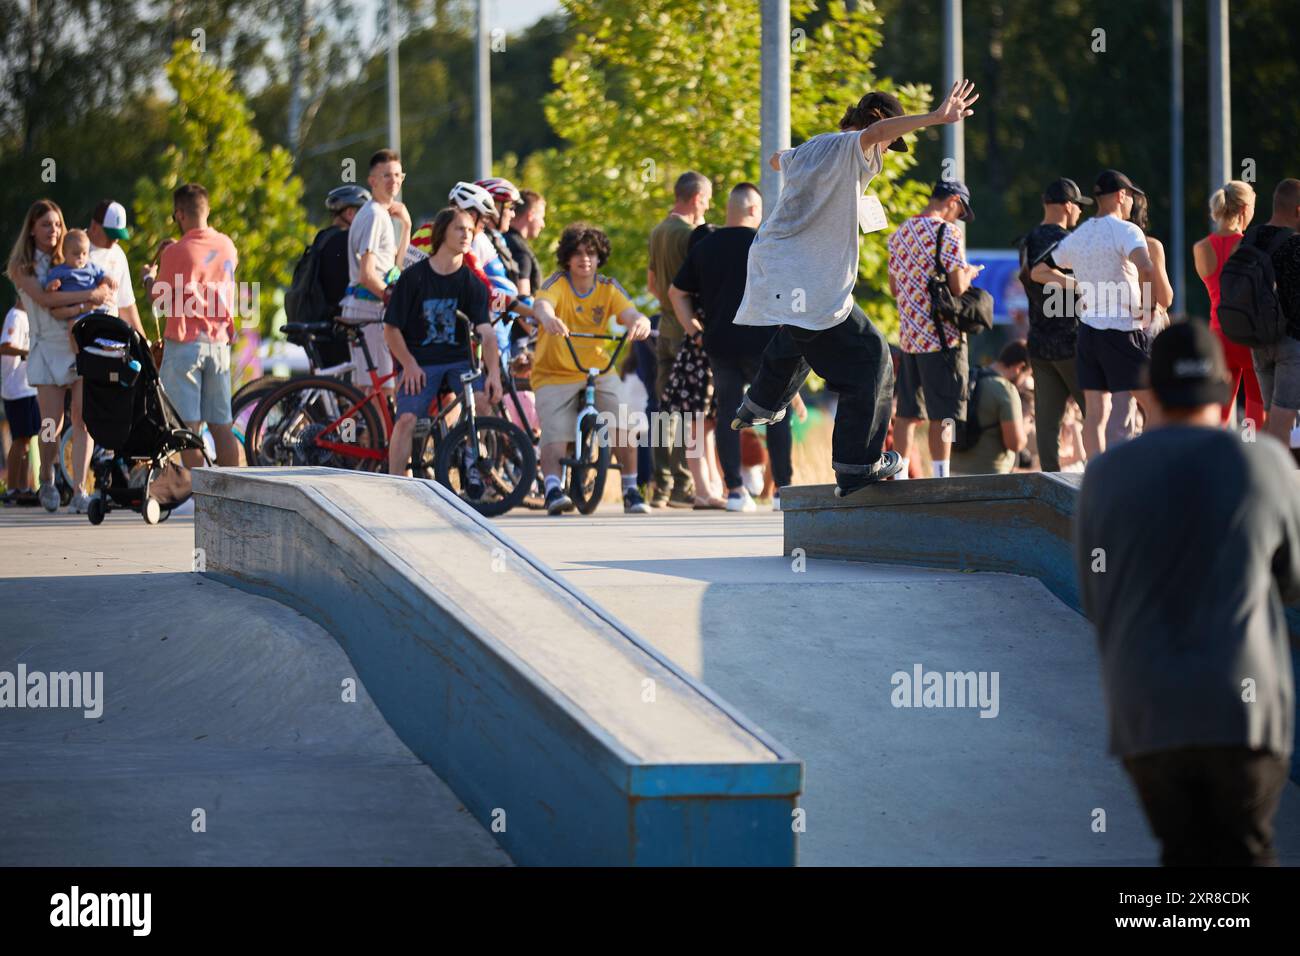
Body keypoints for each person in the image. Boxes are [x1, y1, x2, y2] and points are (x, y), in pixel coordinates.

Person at [1075, 321, 1300, 866]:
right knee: (1248, 852)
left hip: (1149, 716)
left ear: (1149, 390)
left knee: (1182, 857)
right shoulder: (1267, 464)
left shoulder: (1105, 475)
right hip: (1243, 716)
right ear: (1223, 389)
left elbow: (1094, 596)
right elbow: (1292, 581)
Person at [732, 81, 980, 496]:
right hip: (809, 275)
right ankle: (858, 465)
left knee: (809, 329)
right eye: (890, 142)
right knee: (874, 361)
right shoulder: (854, 145)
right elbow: (872, 136)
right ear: (878, 123)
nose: (885, 152)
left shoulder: (810, 148)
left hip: (775, 266)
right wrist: (937, 117)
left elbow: (778, 160)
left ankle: (762, 399)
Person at [670, 182, 792, 512]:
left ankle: (736, 491)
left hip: (719, 343)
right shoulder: (766, 244)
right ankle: (783, 490)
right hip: (764, 342)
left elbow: (676, 292)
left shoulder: (705, 246)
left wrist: (694, 331)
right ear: (754, 210)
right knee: (778, 412)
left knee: (729, 412)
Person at [532, 223, 654, 515]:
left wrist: (640, 321)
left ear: (600, 257)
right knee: (556, 431)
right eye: (577, 253)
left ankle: (630, 489)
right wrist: (548, 319)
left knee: (624, 423)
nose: (584, 259)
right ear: (566, 258)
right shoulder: (557, 283)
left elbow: (630, 313)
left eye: (591, 253)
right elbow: (542, 305)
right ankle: (552, 488)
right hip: (554, 371)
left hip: (597, 370)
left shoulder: (608, 287)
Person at [1051, 170, 1171, 459]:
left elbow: (1051, 263)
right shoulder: (1127, 230)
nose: (1131, 203)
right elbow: (1145, 267)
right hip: (1122, 328)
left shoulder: (1080, 234)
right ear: (1121, 196)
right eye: (1130, 197)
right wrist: (1144, 309)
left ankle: (1097, 475)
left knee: (1095, 413)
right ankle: (1150, 464)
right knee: (1154, 403)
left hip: (1089, 330)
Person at [5, 199, 114, 512]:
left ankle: (80, 488)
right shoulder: (23, 267)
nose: (52, 230)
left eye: (56, 223)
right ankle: (47, 476)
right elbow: (46, 300)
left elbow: (101, 284)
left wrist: (97, 295)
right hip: (47, 347)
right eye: (45, 224)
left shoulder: (71, 255)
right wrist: (88, 299)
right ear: (32, 230)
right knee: (52, 422)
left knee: (84, 418)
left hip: (79, 343)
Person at [383, 206, 501, 482]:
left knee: (483, 402)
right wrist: (409, 365)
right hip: (419, 361)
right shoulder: (413, 278)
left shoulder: (471, 283)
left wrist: (493, 373)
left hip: (459, 361)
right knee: (406, 421)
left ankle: (473, 459)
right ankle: (394, 483)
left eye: (470, 230)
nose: (466, 235)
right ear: (442, 232)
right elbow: (391, 329)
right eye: (460, 228)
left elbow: (486, 331)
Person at [889, 178, 985, 479]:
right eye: (960, 211)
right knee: (945, 414)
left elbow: (894, 287)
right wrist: (969, 273)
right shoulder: (947, 233)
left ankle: (901, 475)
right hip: (942, 339)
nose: (958, 218)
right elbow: (957, 288)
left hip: (909, 338)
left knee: (907, 413)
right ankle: (941, 475)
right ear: (953, 201)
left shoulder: (901, 232)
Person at [144, 182, 241, 467]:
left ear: (180, 215)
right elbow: (202, 265)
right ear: (207, 209)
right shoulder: (227, 246)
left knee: (188, 429)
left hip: (185, 345)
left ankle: (202, 497)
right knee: (221, 426)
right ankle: (231, 495)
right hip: (219, 343)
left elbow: (158, 298)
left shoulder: (174, 253)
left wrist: (149, 275)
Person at [647, 171, 712, 508]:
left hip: (664, 329)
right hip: (690, 331)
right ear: (697, 198)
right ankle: (684, 485)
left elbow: (653, 284)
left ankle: (660, 486)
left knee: (663, 411)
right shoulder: (691, 235)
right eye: (708, 199)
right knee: (692, 414)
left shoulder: (658, 231)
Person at [1023, 178, 1089, 472]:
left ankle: (1051, 485)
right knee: (1097, 412)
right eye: (1077, 205)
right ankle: (1109, 477)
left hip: (1038, 341)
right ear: (1066, 205)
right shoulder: (1066, 240)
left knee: (1047, 424)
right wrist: (1080, 286)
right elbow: (1041, 274)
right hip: (1070, 341)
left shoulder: (1028, 239)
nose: (1080, 212)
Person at [1193, 181, 1262, 428]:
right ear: (1244, 208)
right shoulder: (1252, 246)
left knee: (1219, 408)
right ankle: (1250, 454)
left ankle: (1212, 457)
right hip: (1249, 336)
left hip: (1219, 335)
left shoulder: (1200, 248)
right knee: (1256, 403)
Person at [340, 149, 406, 395]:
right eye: (387, 175)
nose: (394, 181)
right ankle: (374, 435)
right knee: (380, 391)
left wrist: (407, 225)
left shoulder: (379, 214)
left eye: (399, 175)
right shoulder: (375, 215)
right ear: (372, 181)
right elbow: (368, 275)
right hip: (368, 308)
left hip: (368, 308)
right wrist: (393, 300)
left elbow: (396, 269)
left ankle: (369, 433)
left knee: (374, 389)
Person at [1245, 178, 1300, 448]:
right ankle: (1272, 482)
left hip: (1258, 340)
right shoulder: (1295, 243)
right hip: (1290, 341)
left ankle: (1262, 472)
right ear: (1297, 210)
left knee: (1272, 416)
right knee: (1284, 418)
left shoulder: (1251, 237)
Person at [313, 185, 372, 369]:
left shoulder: (322, 239)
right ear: (349, 213)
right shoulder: (346, 241)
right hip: (339, 328)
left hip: (320, 323)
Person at [951, 339, 1030, 476]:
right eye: (1027, 375)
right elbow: (1014, 443)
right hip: (989, 476)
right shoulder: (1006, 390)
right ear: (1019, 367)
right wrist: (1024, 429)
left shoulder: (966, 378)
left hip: (953, 470)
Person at [87, 200, 144, 338]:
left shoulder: (118, 254)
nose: (115, 241)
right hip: (82, 332)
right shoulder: (75, 247)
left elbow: (126, 305)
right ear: (94, 226)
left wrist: (144, 343)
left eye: (118, 236)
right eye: (110, 235)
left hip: (110, 335)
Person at [1, 299, 38, 504]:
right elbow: (5, 346)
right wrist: (26, 353)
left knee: (27, 439)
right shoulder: (14, 316)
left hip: (28, 388)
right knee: (19, 439)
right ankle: (12, 488)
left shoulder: (28, 316)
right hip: (16, 390)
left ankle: (24, 487)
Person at [505, 189, 546, 298]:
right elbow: (523, 298)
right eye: (541, 217)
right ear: (531, 215)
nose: (543, 224)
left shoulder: (499, 240)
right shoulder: (520, 251)